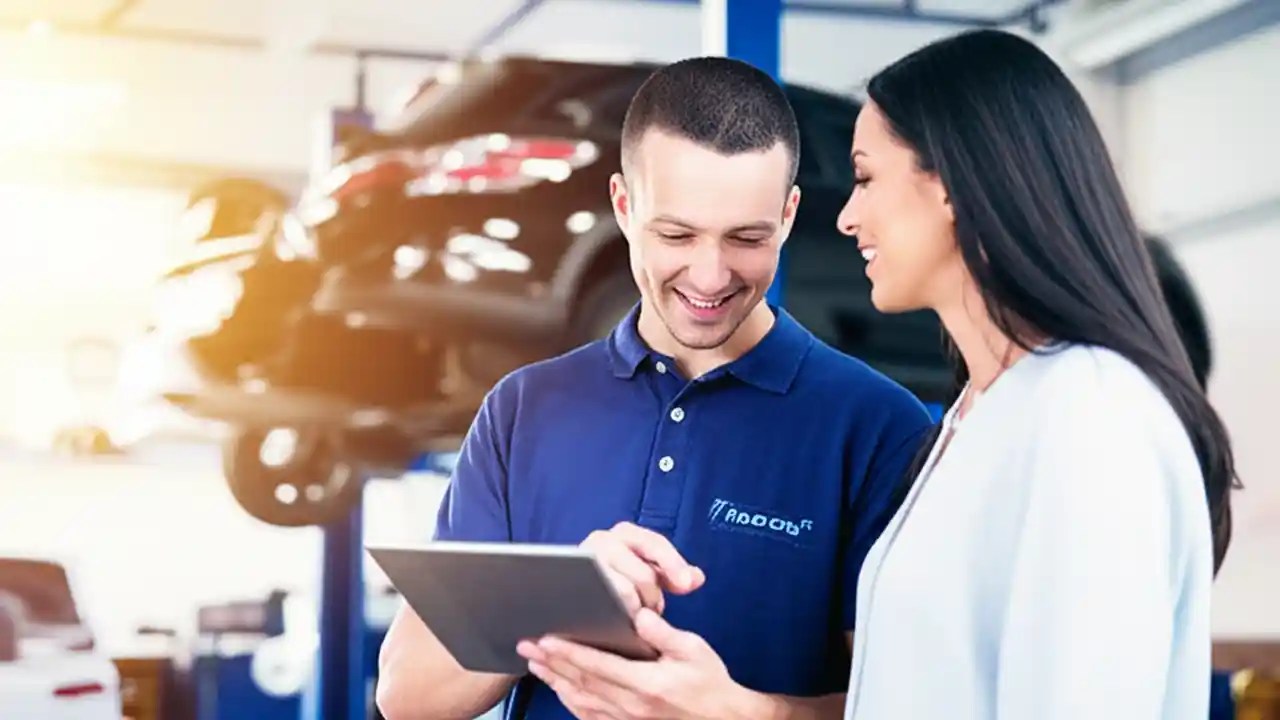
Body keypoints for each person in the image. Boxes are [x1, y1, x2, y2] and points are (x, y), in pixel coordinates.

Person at [375, 57, 934, 720]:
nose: (709, 275)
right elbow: (406, 697)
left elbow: (907, 705)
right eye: (676, 234)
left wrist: (738, 714)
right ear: (623, 204)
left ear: (788, 216)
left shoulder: (877, 430)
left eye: (746, 238)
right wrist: (562, 598)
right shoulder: (523, 411)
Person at [825, 29, 1238, 719]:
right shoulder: (980, 414)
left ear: (951, 184)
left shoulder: (1090, 413)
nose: (847, 216)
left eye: (866, 177)